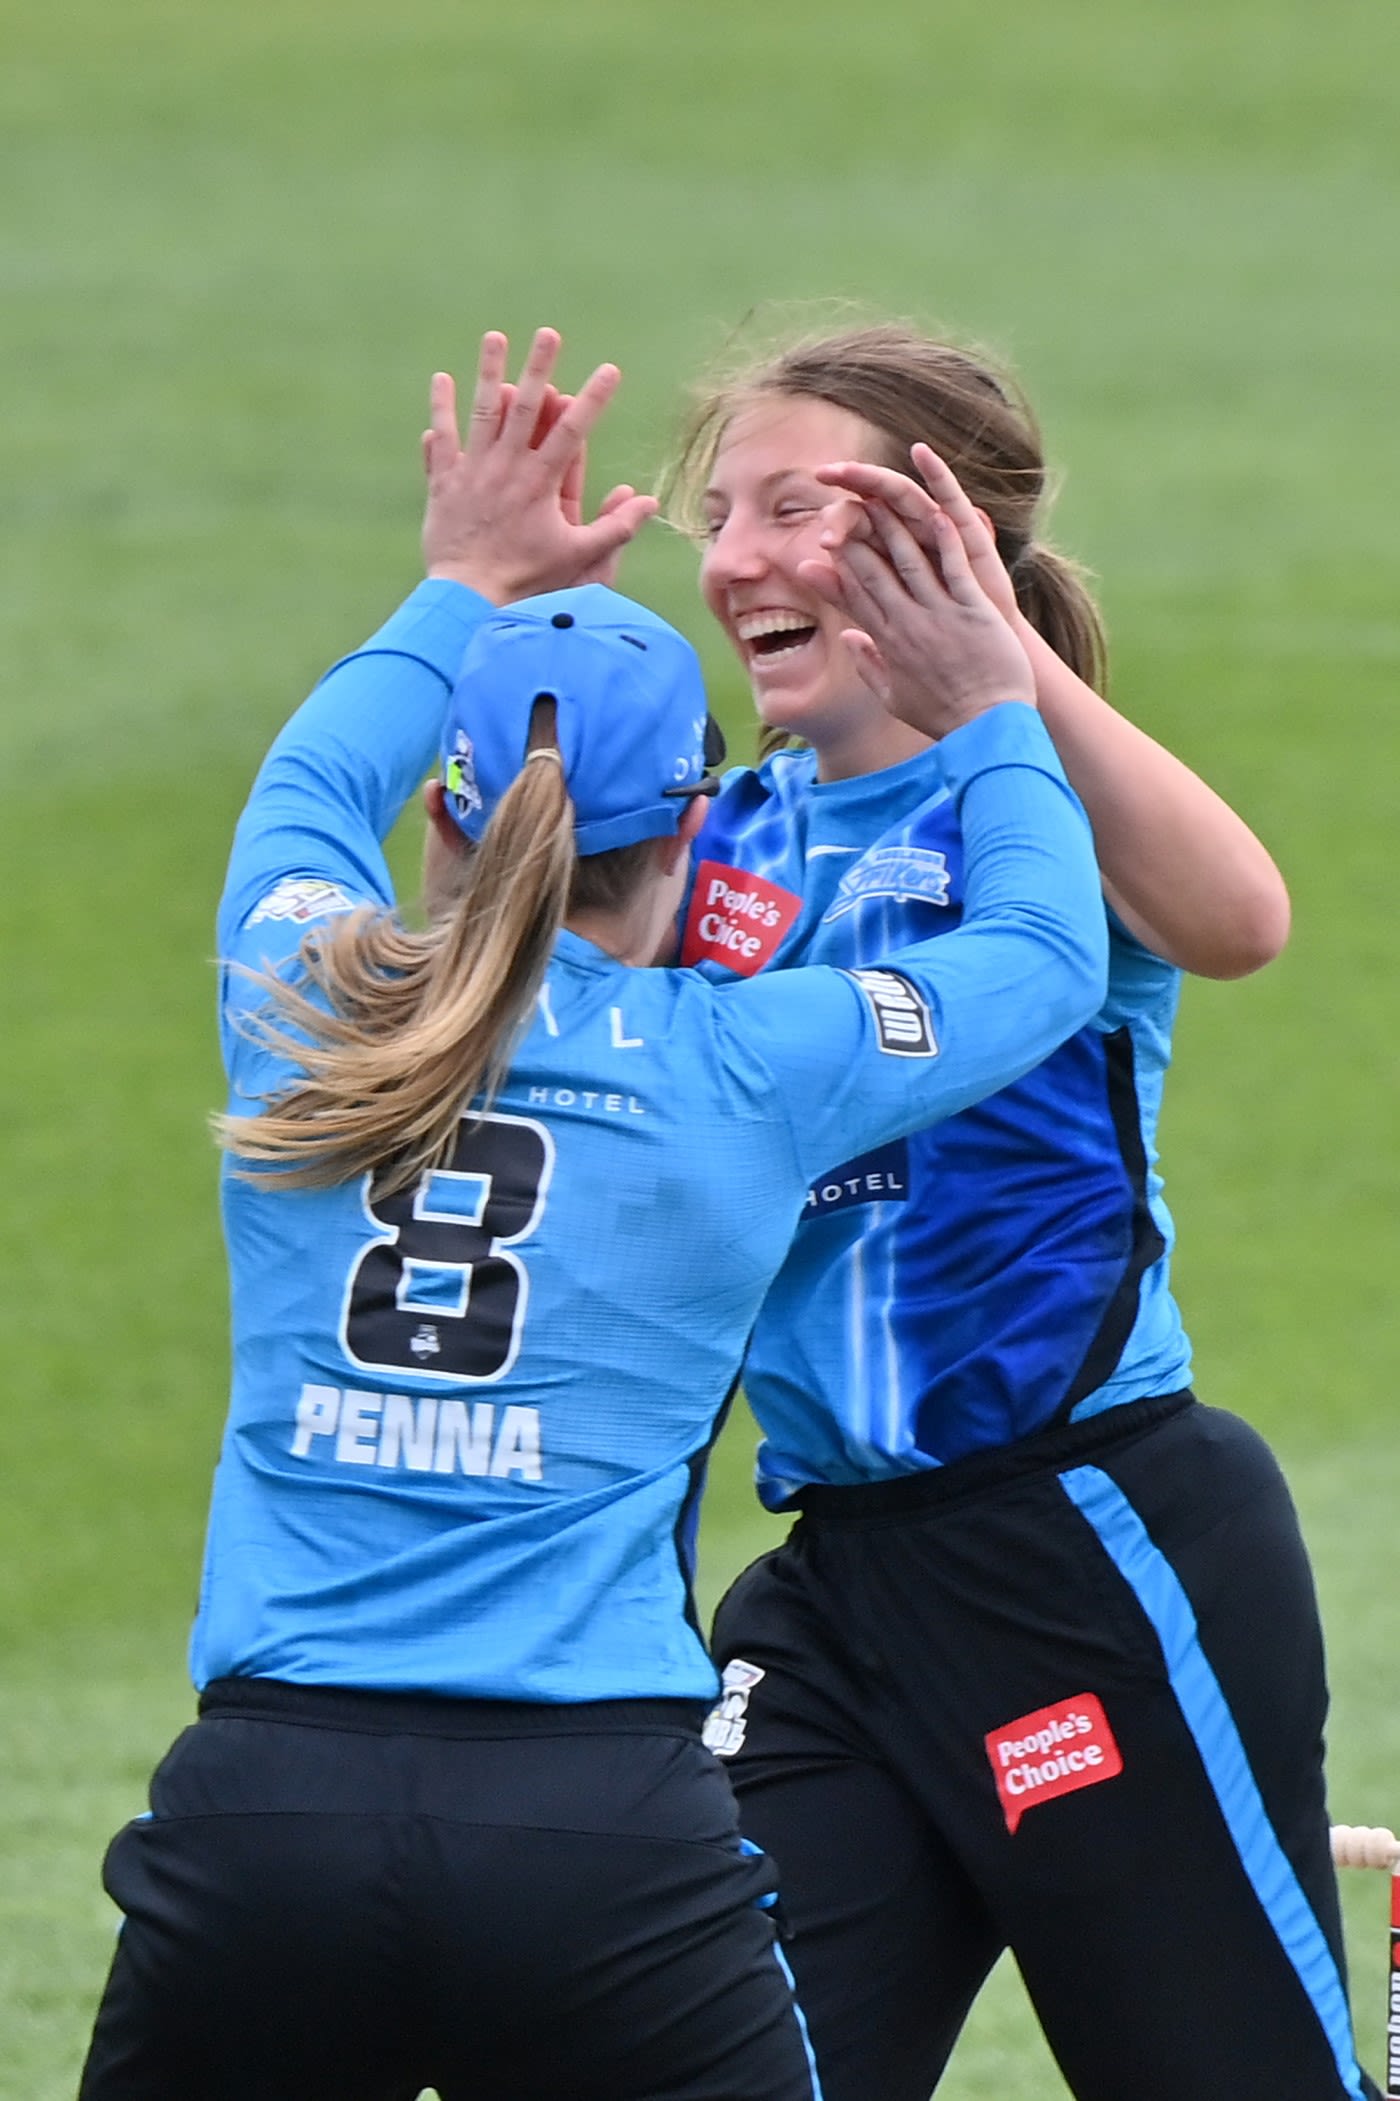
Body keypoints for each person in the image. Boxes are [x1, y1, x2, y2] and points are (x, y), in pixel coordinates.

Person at [75, 326, 1111, 2101]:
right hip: (598, 1841)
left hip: (267, 1811)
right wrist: (999, 704)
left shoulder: (300, 991)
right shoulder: (747, 1060)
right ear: (694, 828)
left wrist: (460, 584)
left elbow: (305, 792)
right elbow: (1037, 958)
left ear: (452, 801)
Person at [665, 321, 1371, 2101]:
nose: (737, 555)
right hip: (831, 1591)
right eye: (719, 511)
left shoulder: (1043, 816)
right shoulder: (716, 844)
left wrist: (1004, 679)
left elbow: (1242, 918)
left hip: (1093, 1554)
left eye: (794, 507)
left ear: (948, 538)